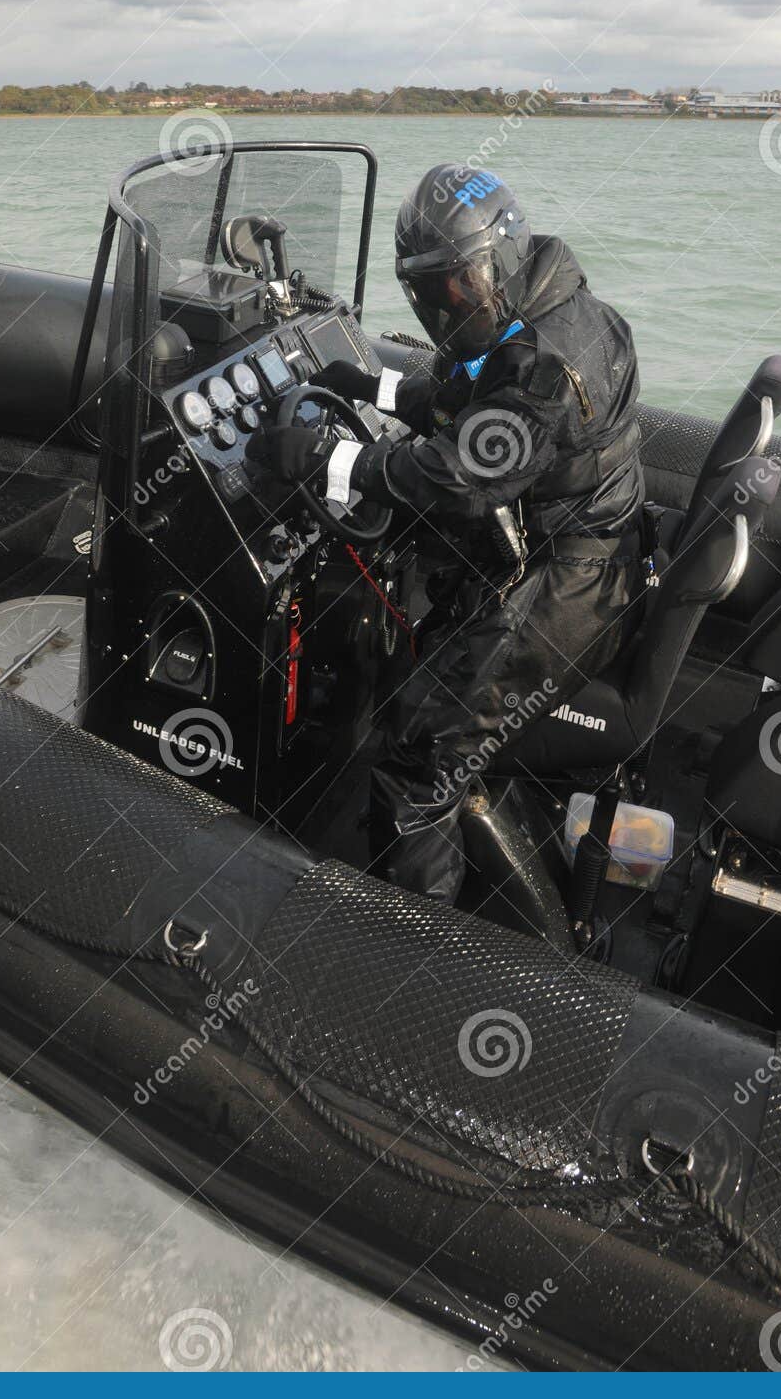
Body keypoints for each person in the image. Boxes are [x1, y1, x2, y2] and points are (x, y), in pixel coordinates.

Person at [245, 162, 646, 904]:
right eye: (433, 292)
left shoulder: (546, 365)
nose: (448, 304)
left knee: (415, 762)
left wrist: (331, 457)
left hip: (574, 584)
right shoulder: (553, 307)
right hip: (576, 556)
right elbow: (466, 398)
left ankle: (418, 946)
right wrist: (373, 387)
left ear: (501, 257)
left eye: (458, 285)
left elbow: (462, 477)